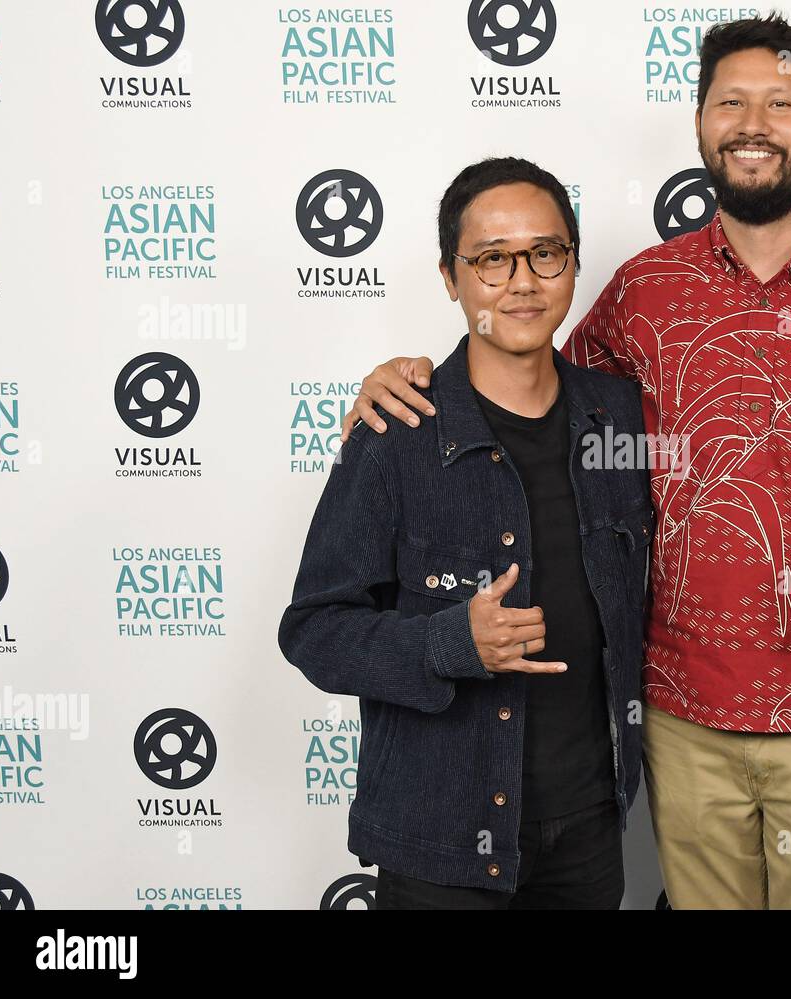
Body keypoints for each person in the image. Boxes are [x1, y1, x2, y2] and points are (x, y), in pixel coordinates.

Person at [337, 13, 791, 909]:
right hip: (677, 713)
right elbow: (530, 377)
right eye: (731, 102)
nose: (753, 123)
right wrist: (406, 379)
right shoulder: (642, 291)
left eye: (782, 103)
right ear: (701, 123)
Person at [278, 157, 651, 909]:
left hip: (590, 834)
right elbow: (313, 630)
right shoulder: (396, 431)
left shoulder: (621, 418)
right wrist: (450, 644)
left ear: (572, 265)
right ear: (452, 277)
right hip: (441, 841)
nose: (522, 281)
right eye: (491, 259)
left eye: (546, 253)